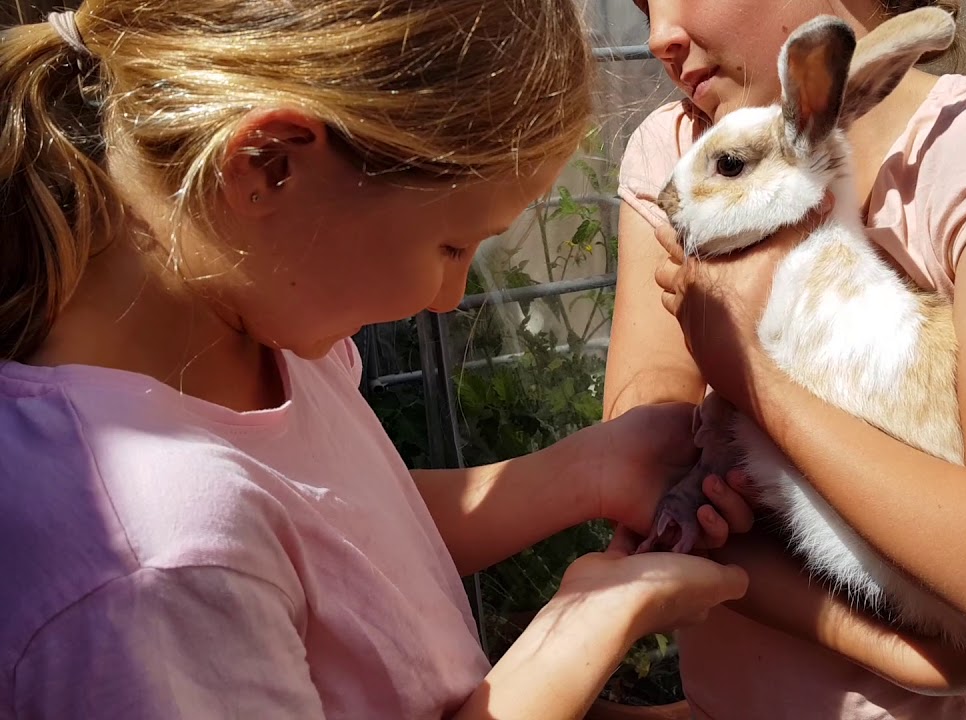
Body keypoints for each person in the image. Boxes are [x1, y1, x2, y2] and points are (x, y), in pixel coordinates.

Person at [0, 2, 759, 718]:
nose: (451, 295)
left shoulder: (258, 325)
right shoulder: (152, 571)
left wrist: (588, 471)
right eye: (452, 246)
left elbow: (341, 534)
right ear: (268, 165)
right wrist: (587, 626)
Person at [604, 1, 966, 718]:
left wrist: (750, 380)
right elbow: (644, 475)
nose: (660, 33)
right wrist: (913, 658)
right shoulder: (677, 154)